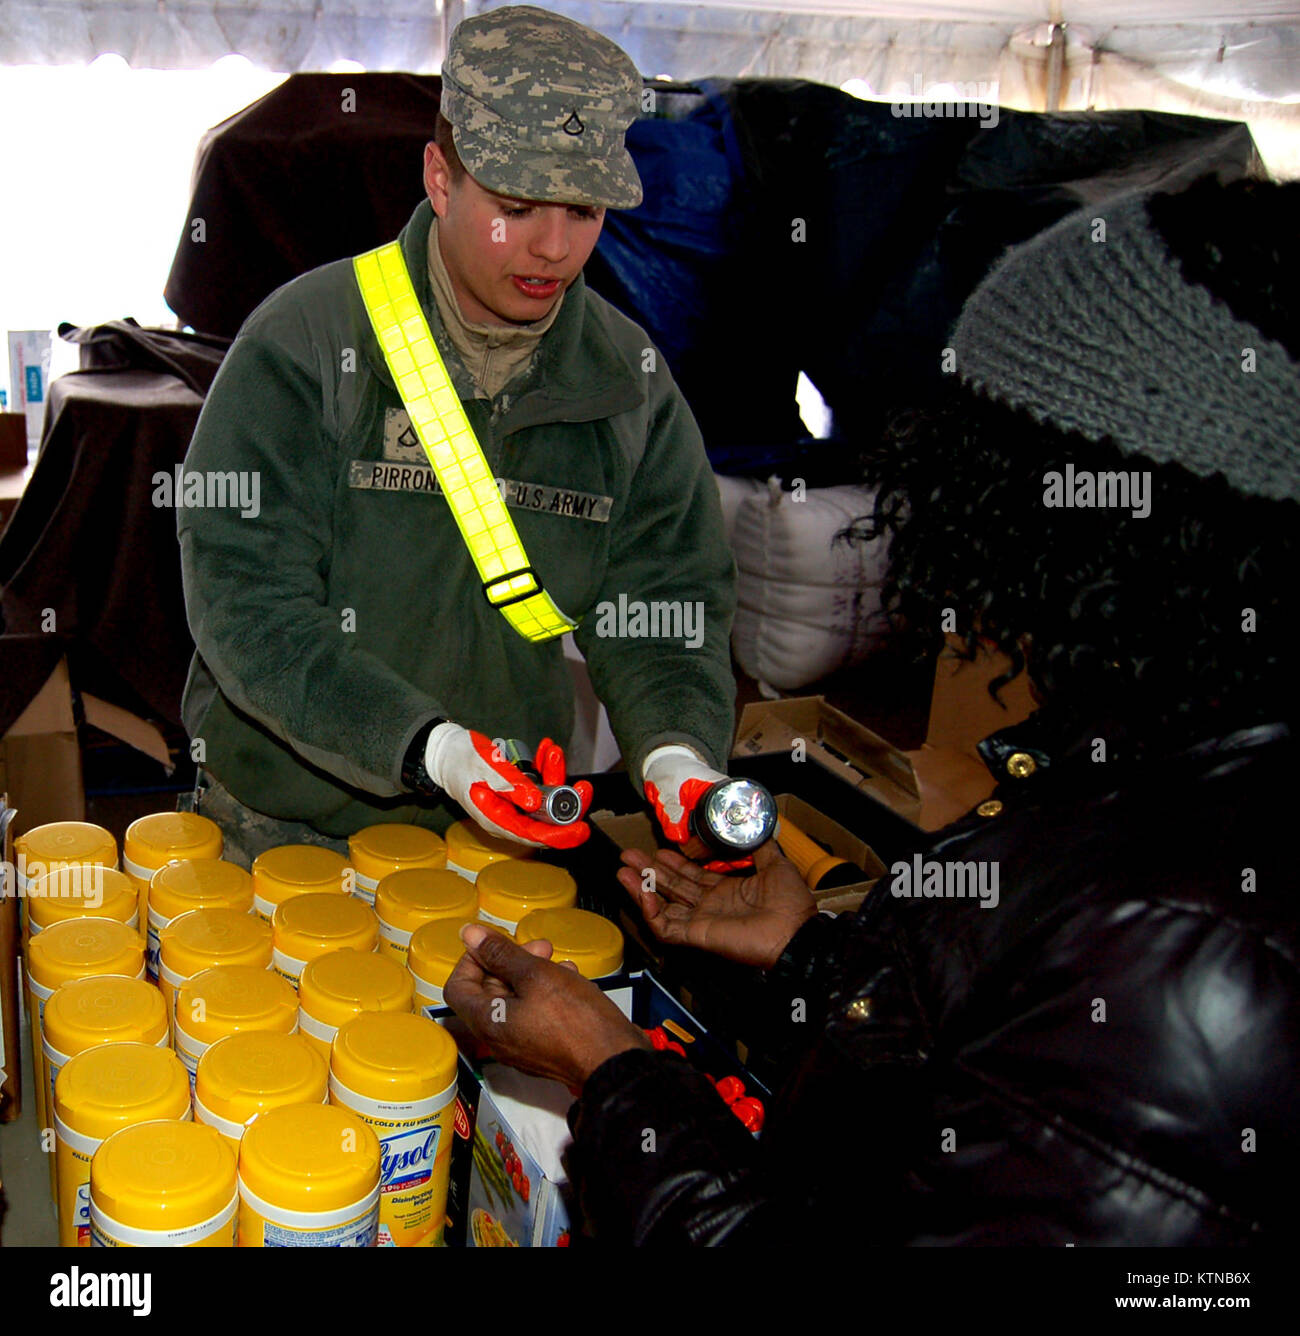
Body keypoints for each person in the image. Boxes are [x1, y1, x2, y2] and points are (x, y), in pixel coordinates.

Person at [445, 173, 1299, 1244]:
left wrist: (610, 1071)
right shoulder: (1170, 768)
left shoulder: (1187, 964)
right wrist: (811, 957)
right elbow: (1001, 1073)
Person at [177, 5, 737, 866]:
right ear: (441, 180)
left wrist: (675, 756)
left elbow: (668, 601)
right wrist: (427, 748)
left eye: (584, 210)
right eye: (517, 206)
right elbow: (248, 606)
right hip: (286, 830)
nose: (554, 247)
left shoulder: (631, 383)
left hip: (496, 838)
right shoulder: (309, 343)